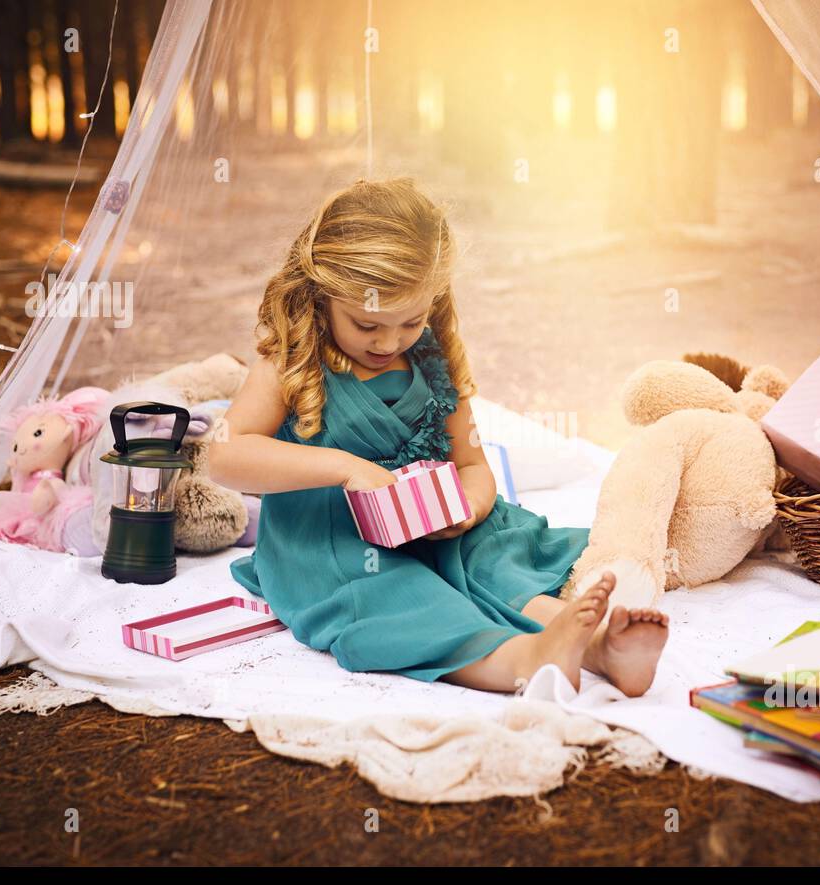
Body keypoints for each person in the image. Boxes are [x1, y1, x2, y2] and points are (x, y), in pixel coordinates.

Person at [209, 177, 668, 696]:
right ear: (323, 297)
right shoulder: (291, 361)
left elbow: (473, 465)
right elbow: (225, 455)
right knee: (393, 595)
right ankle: (526, 659)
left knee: (491, 562)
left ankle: (600, 645)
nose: (389, 341)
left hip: (434, 527)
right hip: (330, 539)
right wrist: (348, 469)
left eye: (411, 320)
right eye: (366, 325)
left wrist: (465, 512)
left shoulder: (432, 358)